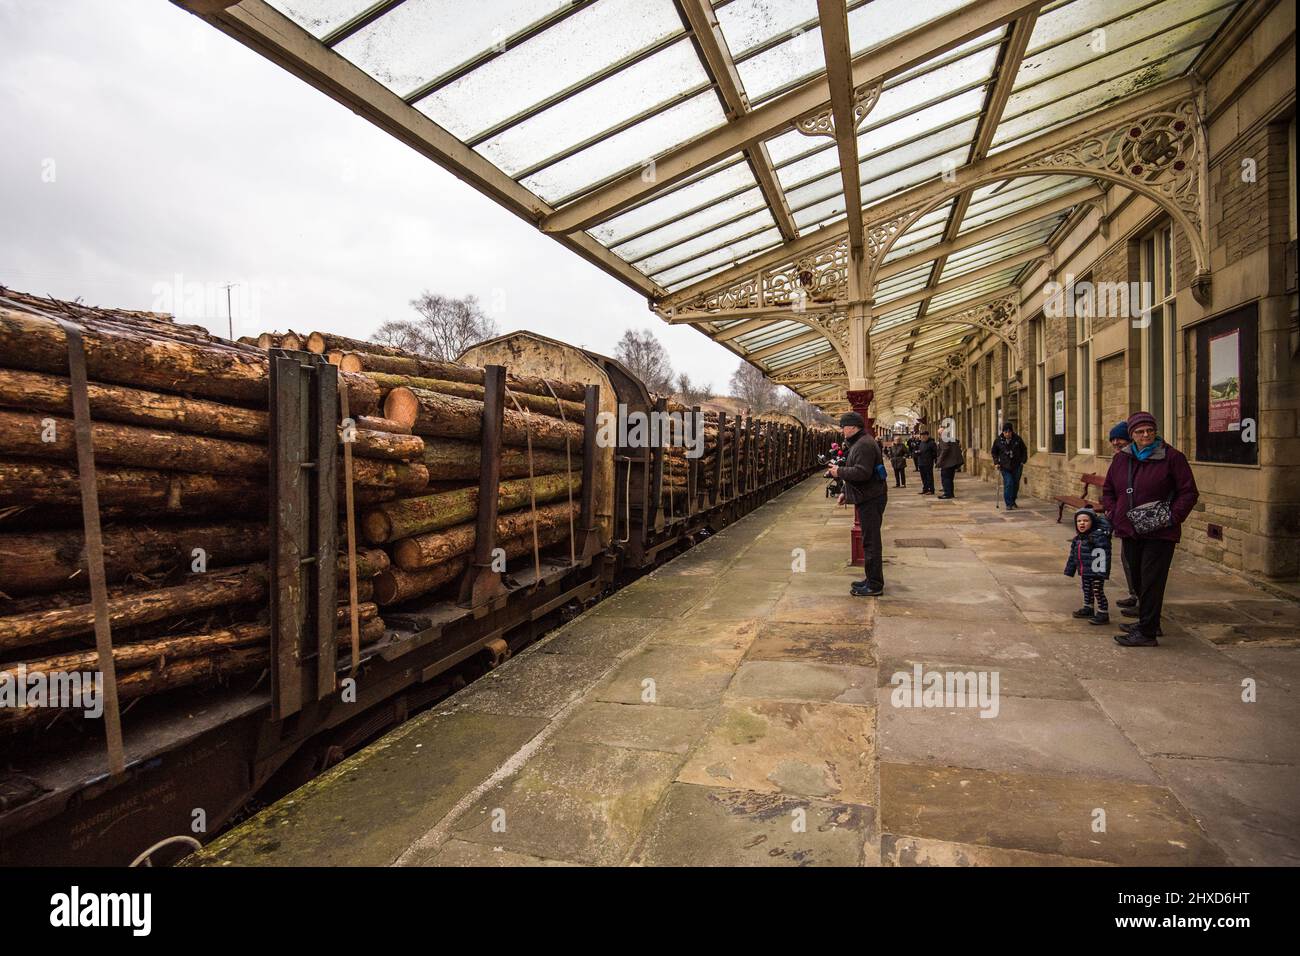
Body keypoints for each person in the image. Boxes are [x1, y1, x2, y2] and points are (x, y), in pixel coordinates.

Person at [1101, 411, 1199, 647]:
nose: (1145, 435)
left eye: (1149, 430)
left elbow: (1188, 492)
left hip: (1160, 531)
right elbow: (1109, 490)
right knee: (1136, 578)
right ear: (1132, 434)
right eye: (1139, 431)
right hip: (1130, 529)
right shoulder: (1121, 459)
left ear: (1155, 432)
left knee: (1152, 580)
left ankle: (1146, 633)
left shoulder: (1172, 457)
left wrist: (1172, 517)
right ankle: (1149, 622)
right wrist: (1115, 513)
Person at [829, 412, 887, 597]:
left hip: (871, 499)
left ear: (853, 427)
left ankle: (875, 585)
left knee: (871, 543)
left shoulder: (863, 445)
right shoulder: (861, 442)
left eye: (843, 426)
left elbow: (862, 473)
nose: (842, 430)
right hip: (869, 496)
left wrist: (839, 472)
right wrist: (846, 493)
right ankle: (871, 579)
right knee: (869, 541)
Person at [1105, 421, 1139, 611]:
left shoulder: (1140, 459)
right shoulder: (1118, 460)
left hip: (1143, 520)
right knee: (1128, 560)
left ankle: (1143, 602)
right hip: (1124, 519)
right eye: (1113, 439)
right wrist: (1112, 509)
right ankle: (1134, 594)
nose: (1116, 442)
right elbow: (1109, 488)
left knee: (1141, 564)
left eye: (1120, 439)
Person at [1063, 506, 1112, 625]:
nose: (1082, 523)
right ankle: (1088, 607)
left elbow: (1103, 555)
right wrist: (1070, 569)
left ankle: (1103, 612)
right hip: (1084, 570)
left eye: (1086, 521)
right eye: (1079, 521)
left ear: (1093, 522)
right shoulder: (1078, 539)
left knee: (1097, 591)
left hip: (1096, 571)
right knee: (1086, 589)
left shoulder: (1098, 537)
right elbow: (1073, 555)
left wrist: (1100, 573)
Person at [991, 422, 1028, 509]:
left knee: (1015, 484)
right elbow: (994, 452)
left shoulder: (1017, 439)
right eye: (1005, 432)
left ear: (1012, 432)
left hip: (1017, 465)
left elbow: (1024, 450)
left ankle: (1012, 500)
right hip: (1004, 466)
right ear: (1003, 432)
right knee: (1009, 483)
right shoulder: (998, 441)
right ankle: (1008, 503)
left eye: (1009, 432)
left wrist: (1023, 461)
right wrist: (996, 462)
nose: (1007, 434)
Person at [935, 433, 964, 499]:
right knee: (950, 478)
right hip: (953, 462)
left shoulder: (944, 439)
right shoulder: (952, 439)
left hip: (947, 463)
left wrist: (939, 461)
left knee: (946, 478)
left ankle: (947, 493)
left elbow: (945, 449)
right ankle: (950, 493)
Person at [914, 428, 937, 495]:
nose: (923, 437)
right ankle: (925, 489)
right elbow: (917, 450)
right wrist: (917, 452)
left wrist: (929, 457)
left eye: (924, 435)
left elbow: (935, 453)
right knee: (923, 477)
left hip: (928, 462)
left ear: (927, 435)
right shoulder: (921, 443)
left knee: (929, 476)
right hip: (921, 462)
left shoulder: (932, 443)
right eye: (922, 435)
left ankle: (931, 489)